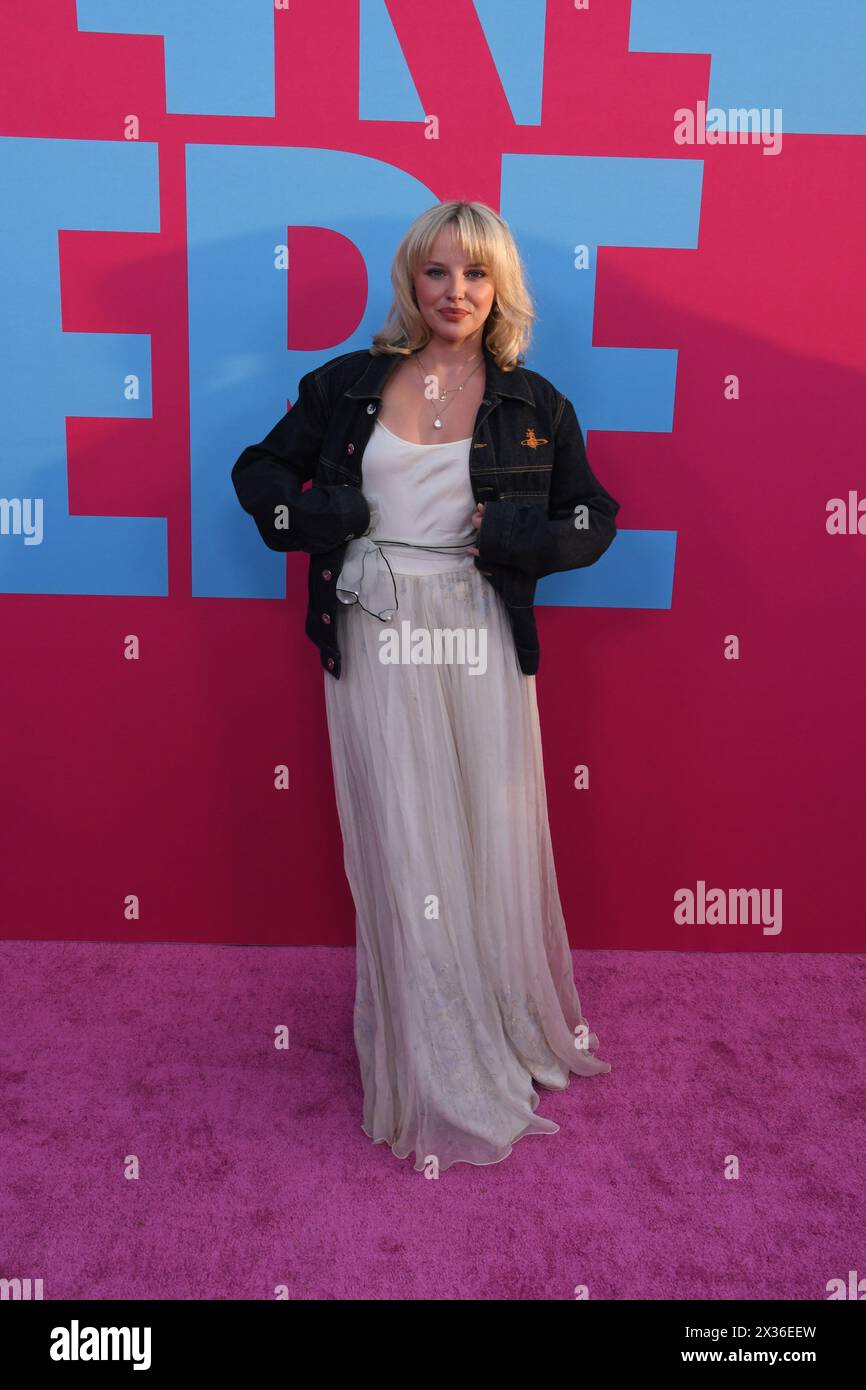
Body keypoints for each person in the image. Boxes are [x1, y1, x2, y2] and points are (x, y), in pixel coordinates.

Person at [232, 200, 621, 1173]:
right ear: (410, 282)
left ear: (500, 289)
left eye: (476, 275)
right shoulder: (345, 385)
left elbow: (592, 514)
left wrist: (522, 540)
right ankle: (433, 1068)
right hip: (376, 624)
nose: (456, 293)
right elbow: (257, 474)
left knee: (485, 840)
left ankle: (498, 1027)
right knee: (407, 846)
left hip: (480, 628)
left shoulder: (533, 404)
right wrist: (324, 514)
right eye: (438, 272)